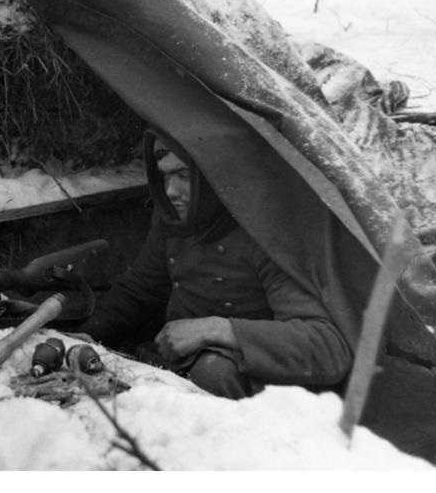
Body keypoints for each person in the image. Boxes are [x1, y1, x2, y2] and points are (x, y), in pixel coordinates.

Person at [77, 129, 353, 399]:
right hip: (178, 363)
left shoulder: (265, 233)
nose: (171, 191)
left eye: (184, 175)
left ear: (215, 175)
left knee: (214, 373)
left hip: (254, 385)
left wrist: (216, 329)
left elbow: (327, 348)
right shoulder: (175, 219)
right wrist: (84, 335)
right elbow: (140, 289)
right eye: (165, 176)